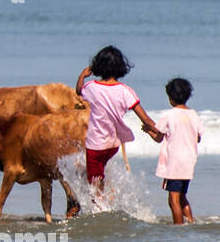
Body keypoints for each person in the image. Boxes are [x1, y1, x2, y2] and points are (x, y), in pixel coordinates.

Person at [76, 45, 163, 196]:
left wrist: (82, 76)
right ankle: (108, 195)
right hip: (113, 144)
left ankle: (101, 210)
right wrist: (158, 134)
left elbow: (78, 91)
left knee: (93, 184)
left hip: (95, 145)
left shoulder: (91, 87)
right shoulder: (125, 91)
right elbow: (145, 119)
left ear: (98, 66)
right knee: (99, 174)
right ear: (120, 67)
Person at [155, 77, 201, 224]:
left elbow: (158, 137)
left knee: (173, 200)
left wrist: (148, 130)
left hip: (174, 163)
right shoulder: (193, 114)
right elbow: (198, 138)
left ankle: (179, 227)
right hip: (189, 161)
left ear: (171, 98)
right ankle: (190, 222)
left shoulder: (169, 115)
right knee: (182, 197)